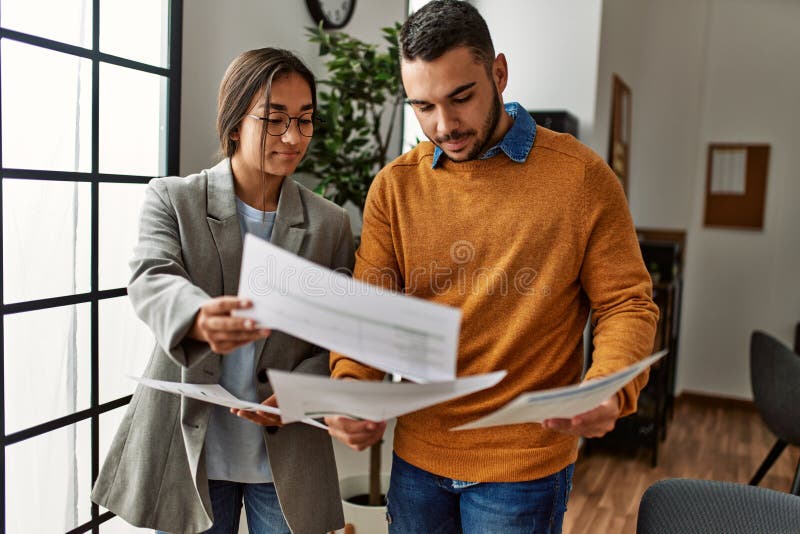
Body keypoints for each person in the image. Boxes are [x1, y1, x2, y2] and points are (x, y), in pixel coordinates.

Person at [325, 1, 659, 533]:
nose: (444, 125)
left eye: (461, 98)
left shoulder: (581, 179)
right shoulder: (395, 186)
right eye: (423, 107)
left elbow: (626, 303)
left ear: (498, 72)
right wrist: (351, 386)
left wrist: (607, 387)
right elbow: (371, 309)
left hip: (522, 466)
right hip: (418, 457)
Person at [91, 48, 352, 534]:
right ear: (234, 124)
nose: (294, 137)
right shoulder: (174, 198)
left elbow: (338, 335)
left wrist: (303, 391)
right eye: (275, 120)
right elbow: (152, 275)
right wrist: (199, 316)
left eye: (305, 120)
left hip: (286, 453)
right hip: (191, 450)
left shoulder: (329, 223)